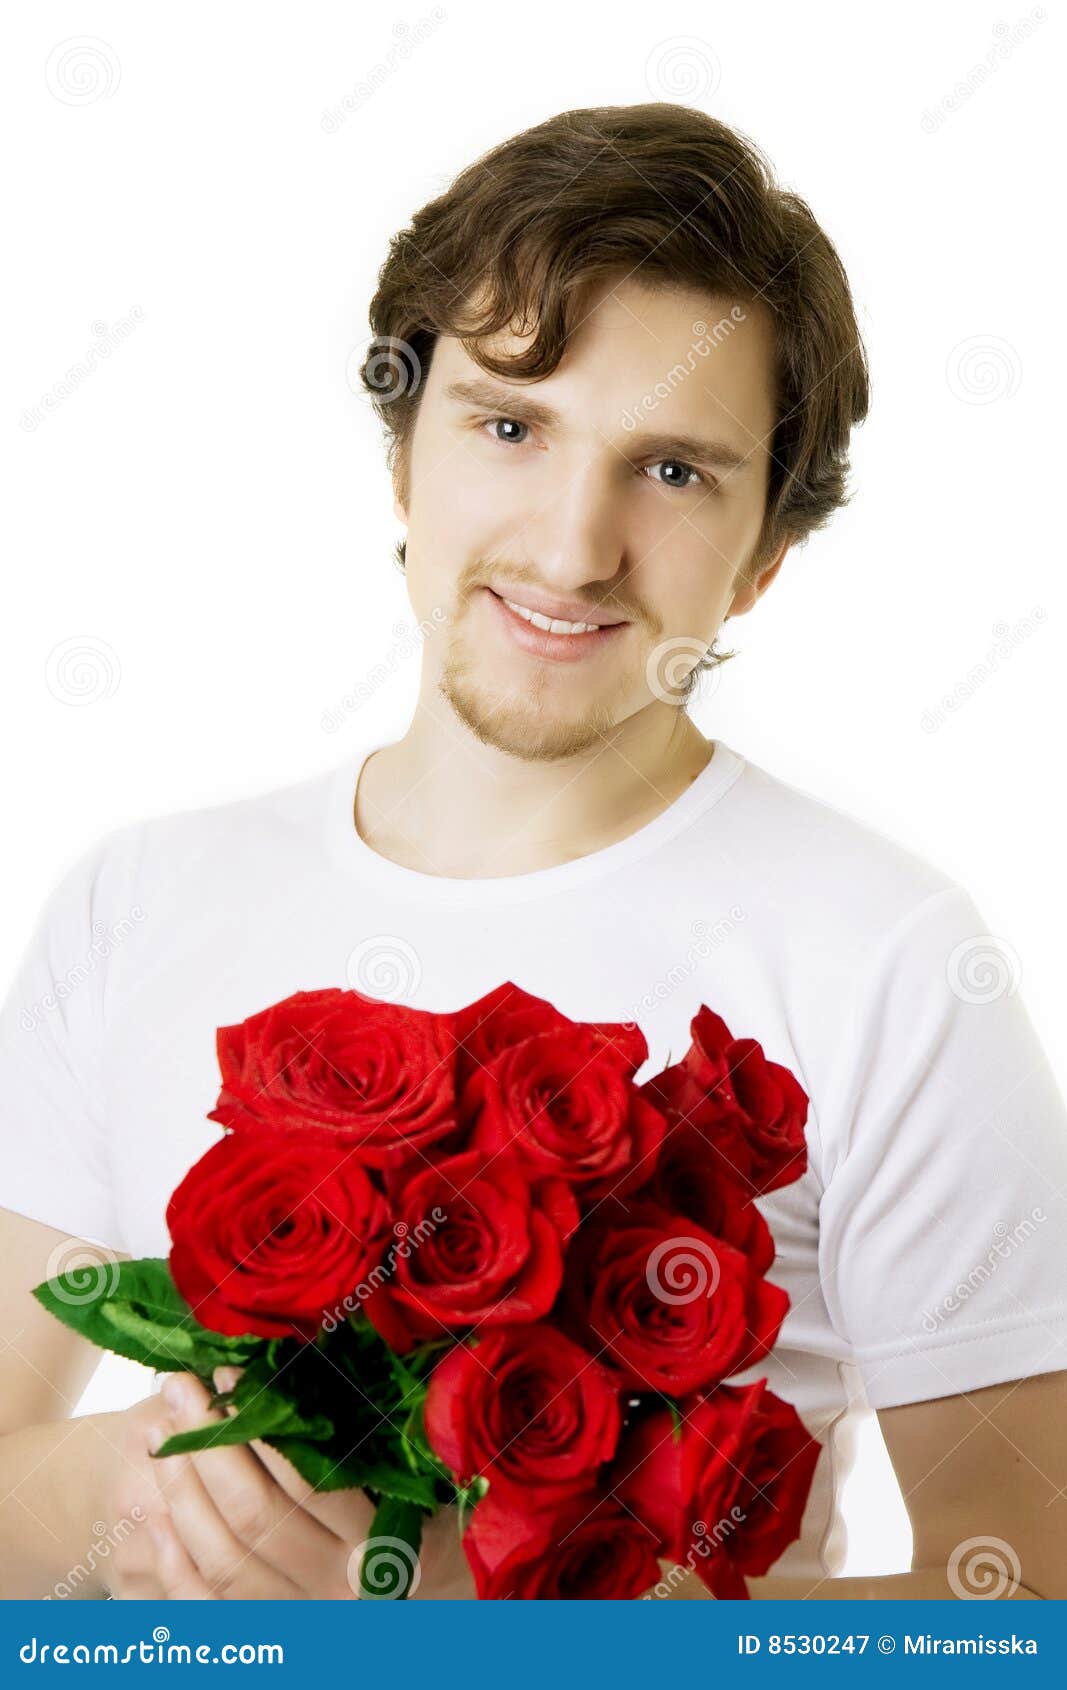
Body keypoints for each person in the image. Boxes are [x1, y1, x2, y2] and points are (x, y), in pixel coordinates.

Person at [2, 102, 1065, 1602]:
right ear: (403, 457)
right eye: (511, 426)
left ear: (767, 555)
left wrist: (506, 1608)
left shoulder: (889, 955)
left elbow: (1024, 1594)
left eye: (676, 472)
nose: (574, 547)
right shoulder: (134, 902)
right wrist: (136, 1492)